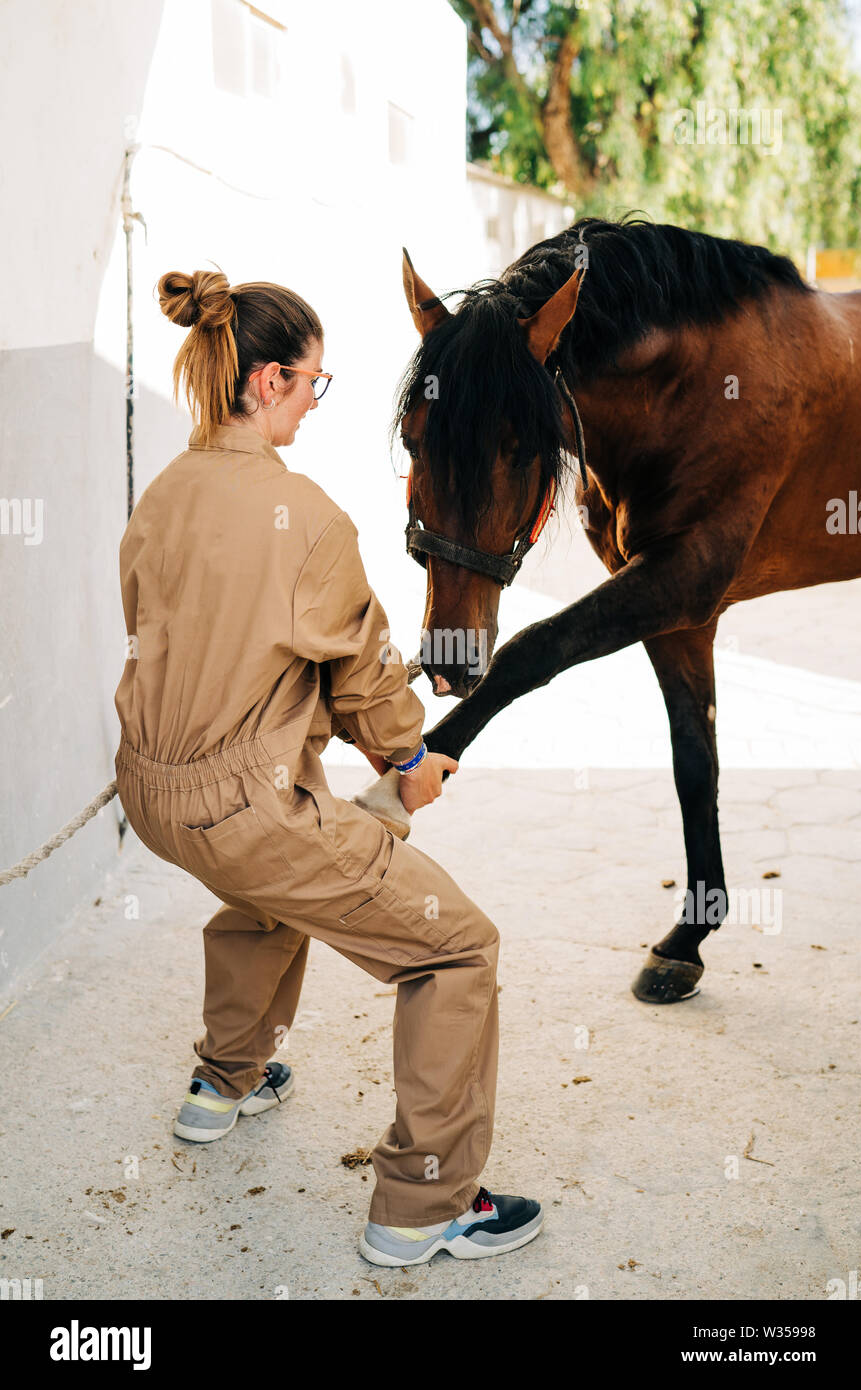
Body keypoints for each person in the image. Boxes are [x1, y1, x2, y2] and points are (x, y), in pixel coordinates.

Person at [113, 268, 542, 1267]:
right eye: (312, 381)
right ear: (266, 382)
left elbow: (174, 638)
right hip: (245, 809)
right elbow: (362, 679)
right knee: (455, 948)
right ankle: (423, 1205)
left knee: (271, 882)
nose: (315, 399)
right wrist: (407, 758)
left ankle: (223, 1084)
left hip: (152, 791)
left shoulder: (161, 494)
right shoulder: (304, 516)